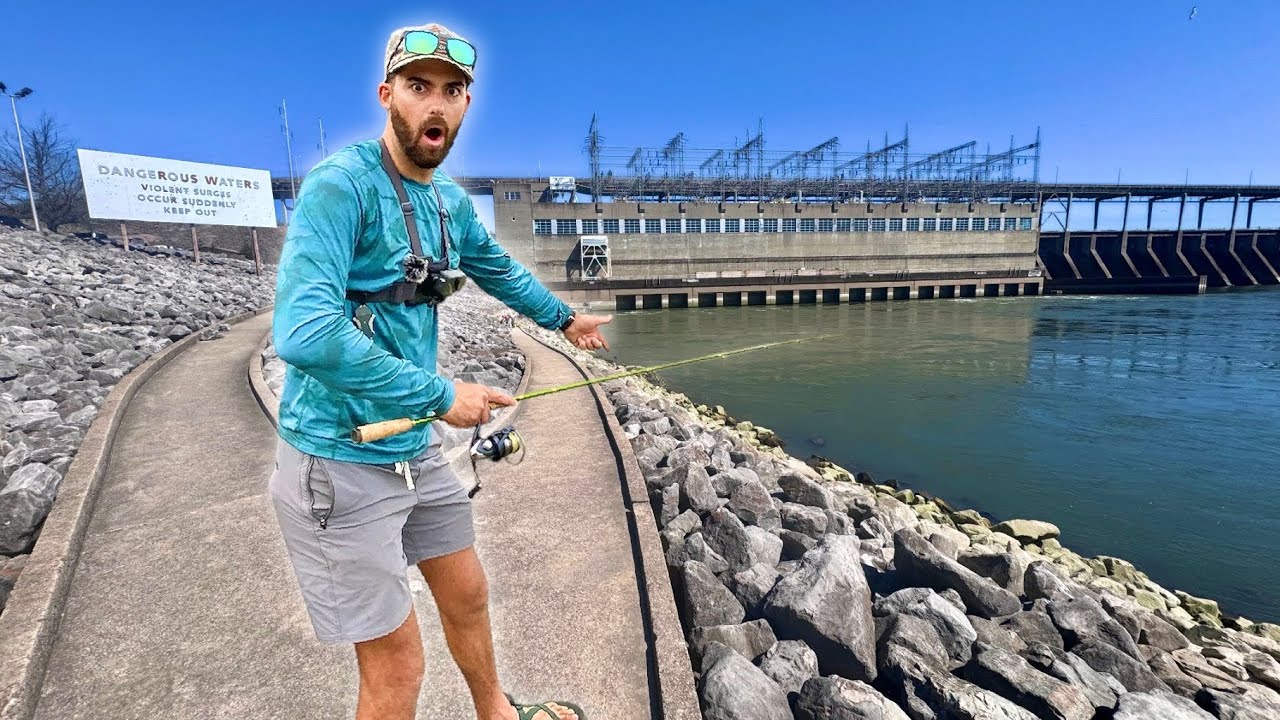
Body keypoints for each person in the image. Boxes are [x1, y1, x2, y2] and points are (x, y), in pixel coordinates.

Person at [269, 22, 609, 720]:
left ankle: (497, 714)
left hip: (412, 447)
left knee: (467, 594)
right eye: (420, 87)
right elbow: (303, 335)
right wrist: (439, 393)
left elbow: (496, 268)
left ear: (465, 107)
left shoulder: (450, 201)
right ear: (387, 93)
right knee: (397, 667)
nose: (437, 105)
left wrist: (563, 319)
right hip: (337, 460)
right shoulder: (343, 187)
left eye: (453, 92)